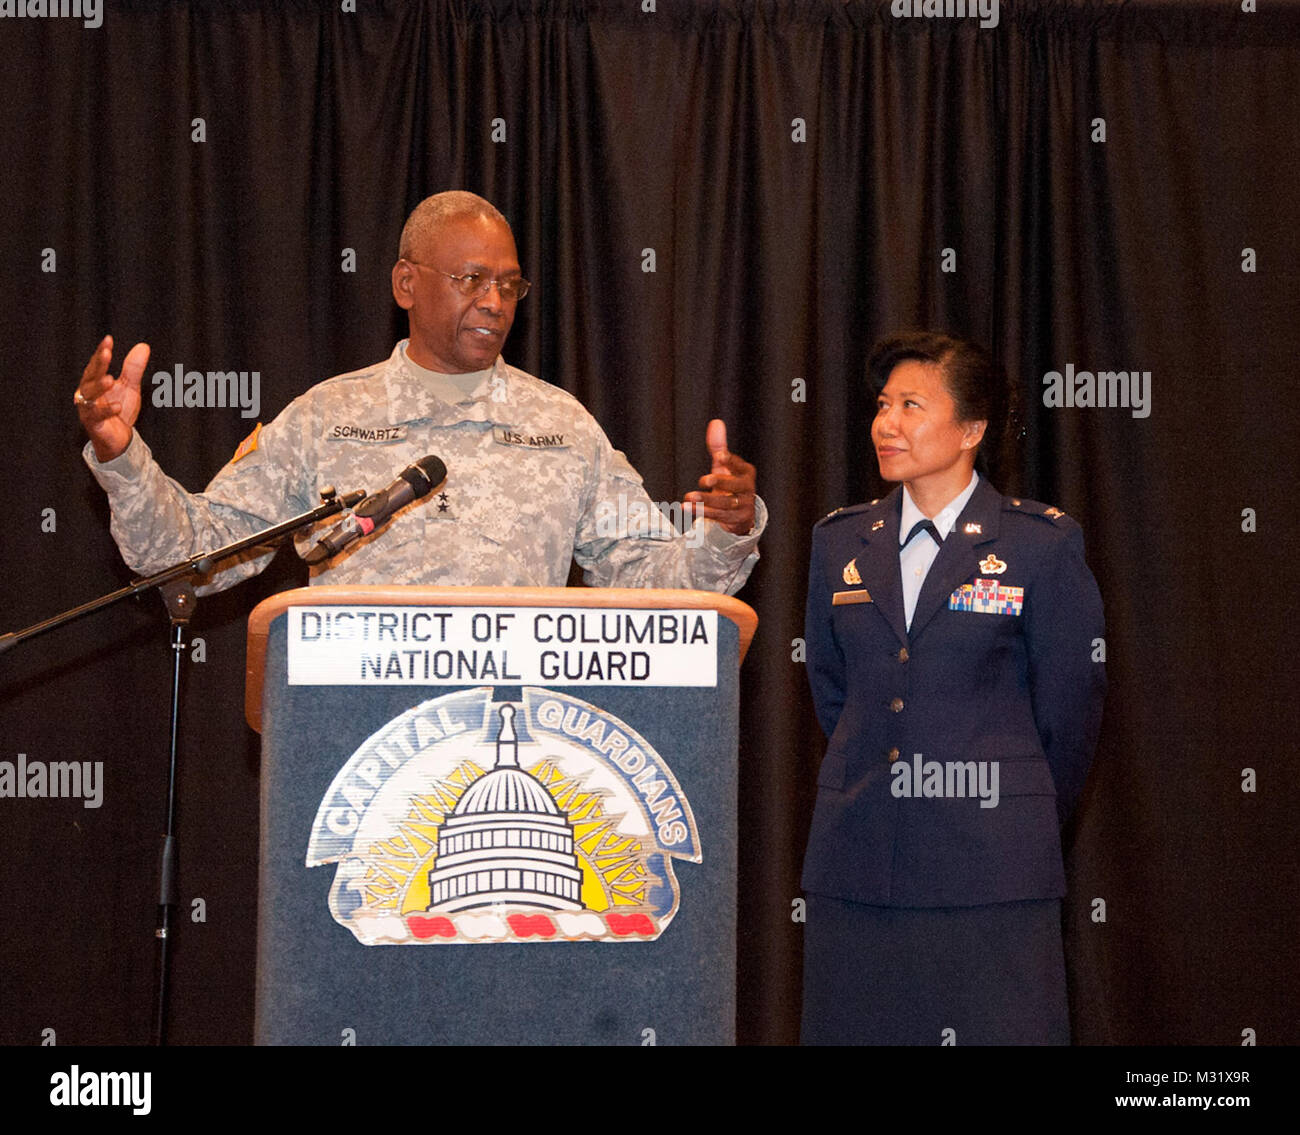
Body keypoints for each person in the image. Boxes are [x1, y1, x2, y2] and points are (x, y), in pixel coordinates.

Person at [73, 191, 764, 593]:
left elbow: (658, 583)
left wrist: (724, 536)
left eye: (509, 284)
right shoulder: (327, 419)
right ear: (407, 284)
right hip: (358, 755)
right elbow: (194, 557)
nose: (495, 301)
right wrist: (124, 457)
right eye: (471, 280)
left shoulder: (564, 427)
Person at [801, 331, 1105, 1045]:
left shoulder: (1039, 544)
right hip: (860, 862)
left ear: (972, 429)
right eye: (882, 405)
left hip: (993, 867)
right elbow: (831, 688)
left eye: (912, 404)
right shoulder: (841, 540)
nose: (887, 423)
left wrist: (1012, 809)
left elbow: (1069, 713)